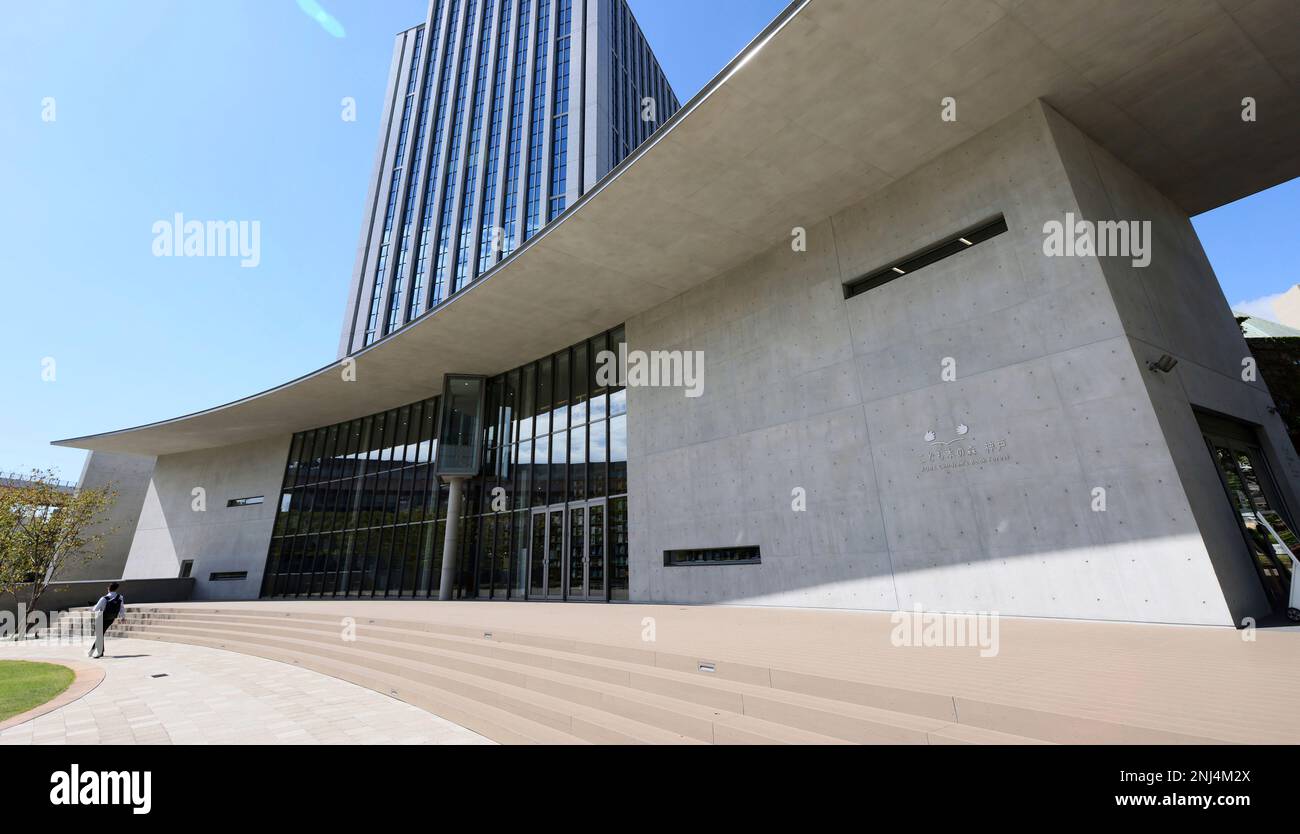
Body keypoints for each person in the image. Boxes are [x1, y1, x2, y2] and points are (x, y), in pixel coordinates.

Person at [88, 583, 125, 659]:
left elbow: (95, 609)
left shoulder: (104, 598)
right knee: (101, 634)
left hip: (102, 618)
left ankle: (97, 652)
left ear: (109, 588)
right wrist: (122, 617)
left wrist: (92, 607)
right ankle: (95, 651)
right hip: (111, 618)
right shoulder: (120, 597)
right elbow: (122, 608)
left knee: (99, 635)